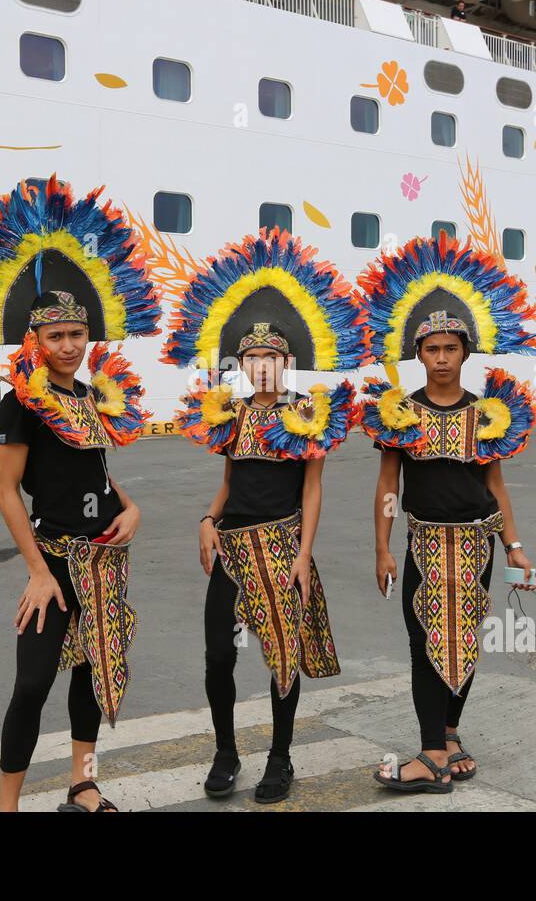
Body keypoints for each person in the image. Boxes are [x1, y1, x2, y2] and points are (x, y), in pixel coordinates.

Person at [0, 175, 162, 813]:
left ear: (88, 339)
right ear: (35, 341)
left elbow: (95, 472)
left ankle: (83, 784)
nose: (67, 346)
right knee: (31, 684)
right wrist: (37, 571)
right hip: (54, 559)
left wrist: (131, 505)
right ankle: (8, 807)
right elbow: (7, 492)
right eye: (55, 337)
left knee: (91, 677)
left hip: (107, 556)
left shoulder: (94, 398)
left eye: (76, 336)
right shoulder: (20, 402)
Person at [164, 230, 366, 803]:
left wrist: (303, 556)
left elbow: (313, 491)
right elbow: (229, 483)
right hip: (230, 547)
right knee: (218, 654)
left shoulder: (309, 414)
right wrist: (207, 519)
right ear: (241, 363)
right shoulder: (227, 415)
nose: (260, 368)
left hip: (282, 548)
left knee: (283, 656)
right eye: (250, 359)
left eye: (269, 358)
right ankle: (226, 752)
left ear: (286, 362)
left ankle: (280, 758)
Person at [357, 234, 536, 794]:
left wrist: (513, 546)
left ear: (465, 353)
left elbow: (496, 486)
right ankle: (432, 750)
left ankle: (449, 735)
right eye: (431, 350)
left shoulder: (489, 415)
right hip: (426, 546)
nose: (441, 359)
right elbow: (389, 486)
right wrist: (384, 546)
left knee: (465, 638)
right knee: (423, 642)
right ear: (420, 355)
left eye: (449, 349)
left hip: (477, 545)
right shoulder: (399, 414)